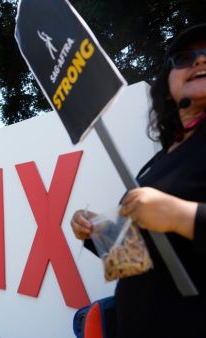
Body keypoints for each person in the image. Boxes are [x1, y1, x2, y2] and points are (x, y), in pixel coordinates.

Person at [70, 24, 206, 338]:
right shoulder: (160, 159)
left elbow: (177, 222)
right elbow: (145, 253)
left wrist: (182, 216)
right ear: (167, 87)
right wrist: (96, 233)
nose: (199, 61)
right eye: (185, 58)